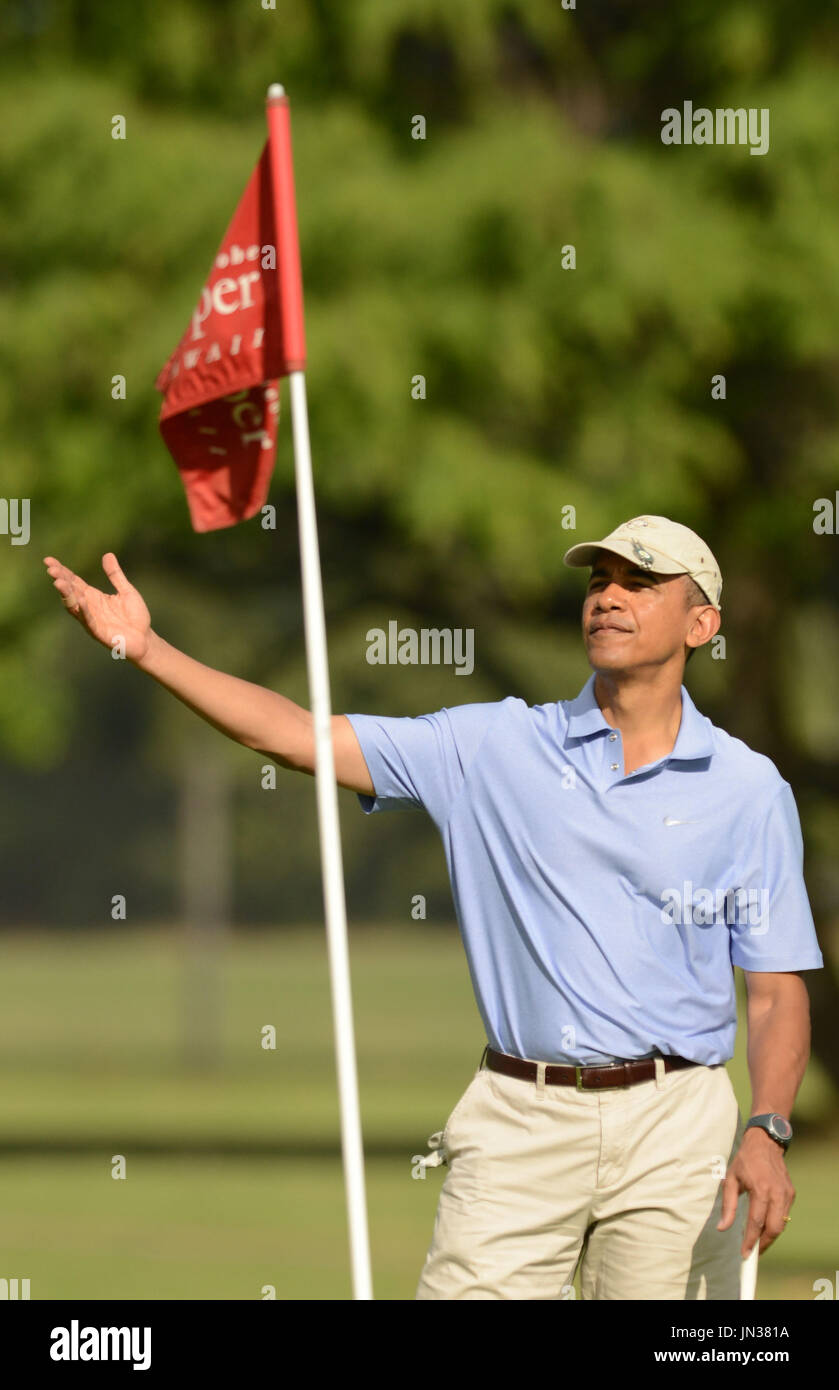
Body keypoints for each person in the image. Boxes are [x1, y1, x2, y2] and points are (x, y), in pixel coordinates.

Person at [43, 514, 823, 1300]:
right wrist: (146, 649)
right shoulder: (492, 746)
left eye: (639, 584)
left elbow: (773, 992)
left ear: (702, 623)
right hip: (521, 1117)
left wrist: (767, 1127)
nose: (608, 599)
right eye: (597, 583)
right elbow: (297, 737)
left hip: (678, 1125)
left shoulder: (747, 789)